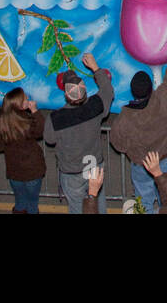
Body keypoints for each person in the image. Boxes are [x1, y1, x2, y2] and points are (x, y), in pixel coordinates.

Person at [109, 13, 167, 213]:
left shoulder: (124, 118)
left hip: (141, 163)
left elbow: (117, 144)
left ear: (133, 91)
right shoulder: (165, 97)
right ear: (151, 89)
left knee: (143, 201)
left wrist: (135, 151)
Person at [44, 54, 114, 214]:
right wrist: (96, 68)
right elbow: (108, 90)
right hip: (94, 167)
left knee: (76, 207)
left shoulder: (56, 118)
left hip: (71, 172)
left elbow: (49, 139)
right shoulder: (96, 105)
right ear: (85, 92)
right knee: (97, 202)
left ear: (66, 95)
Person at [0, 88, 48, 214]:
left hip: (14, 173)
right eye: (25, 98)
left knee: (20, 202)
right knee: (32, 204)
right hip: (33, 172)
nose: (28, 99)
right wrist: (35, 111)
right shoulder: (27, 121)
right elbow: (41, 131)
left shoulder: (0, 123)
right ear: (19, 104)